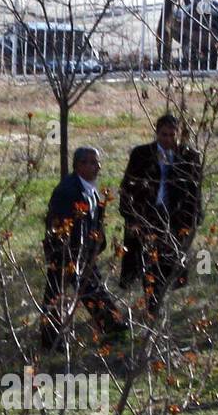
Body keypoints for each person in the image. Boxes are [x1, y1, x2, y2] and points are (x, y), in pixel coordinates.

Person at [40, 146, 127, 349]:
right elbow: (59, 224)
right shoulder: (68, 190)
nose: (96, 167)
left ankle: (114, 328)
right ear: (79, 165)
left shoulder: (89, 187)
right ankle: (52, 340)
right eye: (91, 162)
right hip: (65, 253)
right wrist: (69, 253)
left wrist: (97, 244)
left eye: (97, 162)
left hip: (84, 252)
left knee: (90, 289)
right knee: (59, 295)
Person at [118, 113, 203, 315]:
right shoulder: (141, 155)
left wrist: (195, 217)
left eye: (172, 135)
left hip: (174, 216)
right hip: (147, 214)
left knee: (169, 261)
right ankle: (152, 305)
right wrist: (130, 215)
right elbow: (128, 185)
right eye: (164, 135)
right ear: (157, 134)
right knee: (147, 261)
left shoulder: (189, 157)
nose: (168, 140)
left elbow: (194, 190)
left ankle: (158, 302)